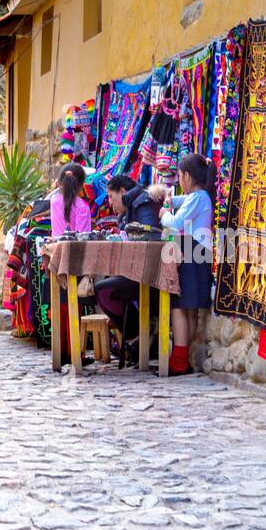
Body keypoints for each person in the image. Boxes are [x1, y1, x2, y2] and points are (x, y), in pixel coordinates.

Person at [159, 152, 216, 376]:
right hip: (198, 252)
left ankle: (179, 362)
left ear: (188, 177)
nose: (179, 181)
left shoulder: (199, 198)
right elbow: (183, 202)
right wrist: (171, 200)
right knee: (189, 310)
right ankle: (182, 359)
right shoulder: (199, 197)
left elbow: (176, 222)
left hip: (192, 252)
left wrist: (164, 213)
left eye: (180, 176)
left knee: (180, 307)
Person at [94, 174, 163, 340]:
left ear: (123, 191)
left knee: (104, 290)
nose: (109, 202)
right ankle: (137, 337)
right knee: (100, 286)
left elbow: (150, 240)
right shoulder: (129, 210)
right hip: (136, 271)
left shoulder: (144, 203)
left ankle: (138, 337)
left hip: (151, 275)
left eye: (111, 196)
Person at [50, 161, 92, 235]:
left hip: (55, 245)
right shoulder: (82, 207)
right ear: (82, 185)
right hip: (74, 246)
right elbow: (83, 239)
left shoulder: (54, 201)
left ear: (59, 183)